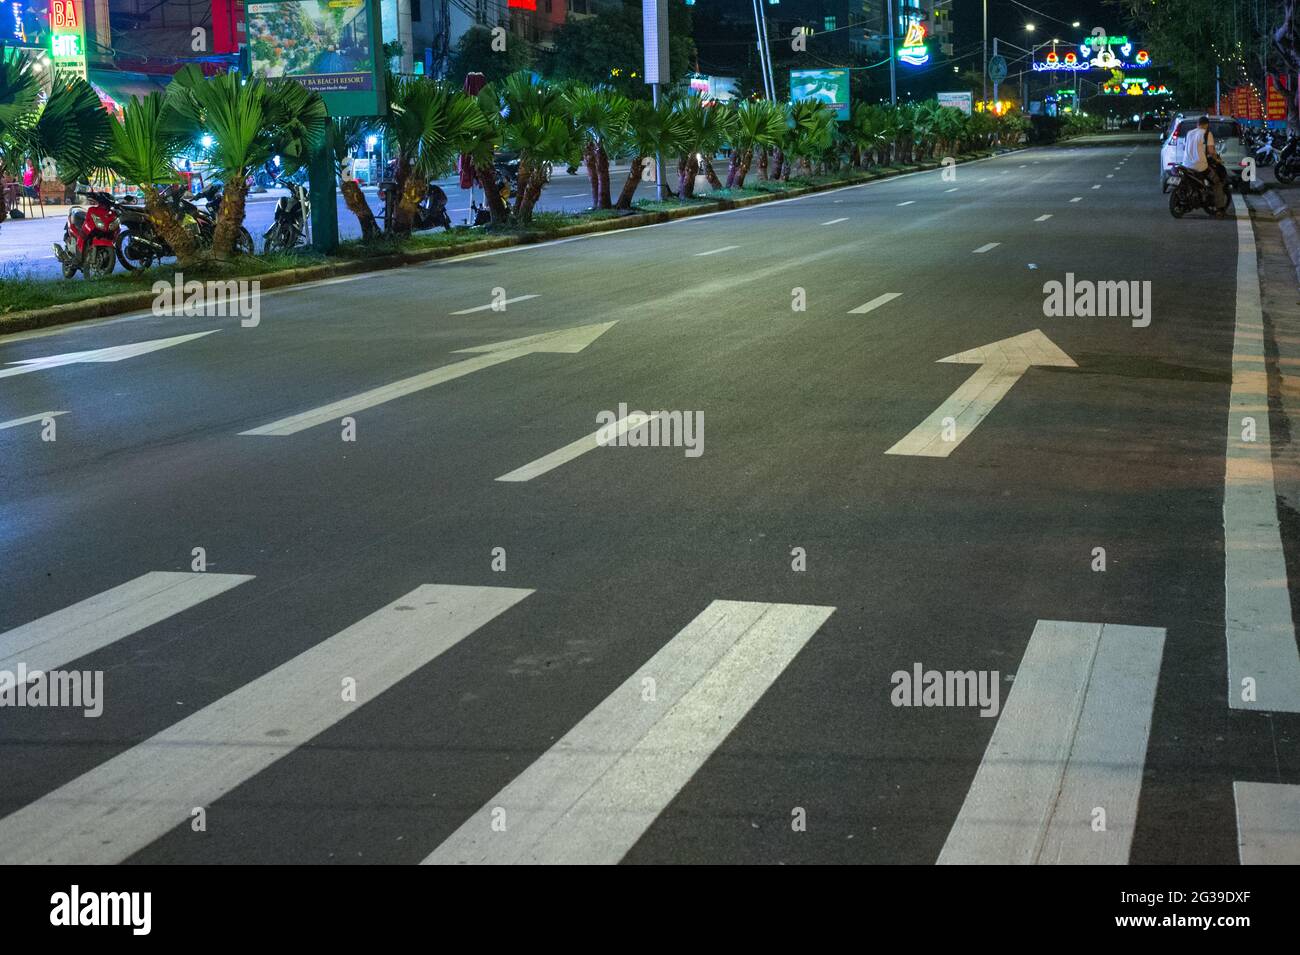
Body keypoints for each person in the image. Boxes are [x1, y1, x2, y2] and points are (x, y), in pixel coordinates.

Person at [1184, 116, 1227, 218]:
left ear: (1197, 124)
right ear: (1207, 125)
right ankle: (1220, 209)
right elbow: (1211, 151)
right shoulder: (1207, 134)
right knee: (1217, 182)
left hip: (1186, 165)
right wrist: (1217, 159)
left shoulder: (1189, 133)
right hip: (1200, 166)